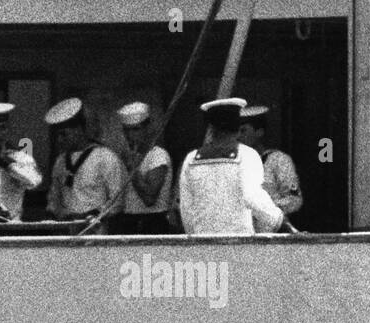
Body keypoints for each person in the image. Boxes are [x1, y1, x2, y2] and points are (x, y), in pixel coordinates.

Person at [177, 97, 285, 235]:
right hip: (239, 245)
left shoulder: (191, 159)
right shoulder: (247, 155)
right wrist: (280, 221)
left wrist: (196, 236)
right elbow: (252, 196)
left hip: (203, 244)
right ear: (238, 128)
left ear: (210, 128)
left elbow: (186, 209)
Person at [44, 97, 127, 229]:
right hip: (68, 231)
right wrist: (52, 216)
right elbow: (54, 197)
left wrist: (97, 214)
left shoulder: (105, 157)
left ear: (78, 130)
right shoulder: (60, 161)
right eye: (58, 135)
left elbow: (118, 200)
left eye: (64, 134)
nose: (60, 140)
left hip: (96, 231)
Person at [115, 101, 173, 234]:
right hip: (130, 222)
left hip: (152, 223)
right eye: (126, 130)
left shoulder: (158, 156)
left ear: (147, 128)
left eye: (136, 129)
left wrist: (132, 169)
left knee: (147, 256)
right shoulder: (126, 155)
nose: (130, 136)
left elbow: (149, 199)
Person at [238, 104, 302, 217]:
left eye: (243, 130)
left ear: (259, 132)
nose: (238, 136)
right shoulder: (233, 162)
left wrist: (266, 208)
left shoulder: (277, 160)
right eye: (235, 131)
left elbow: (294, 200)